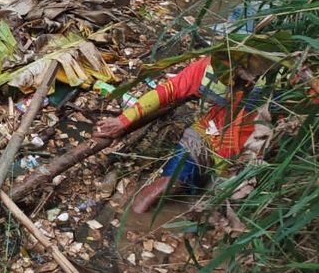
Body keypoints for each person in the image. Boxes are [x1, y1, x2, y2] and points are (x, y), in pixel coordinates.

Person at [94, 37, 289, 213]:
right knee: (157, 191)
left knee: (220, 207)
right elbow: (169, 90)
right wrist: (123, 121)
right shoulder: (209, 67)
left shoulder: (285, 83)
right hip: (206, 136)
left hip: (247, 155)